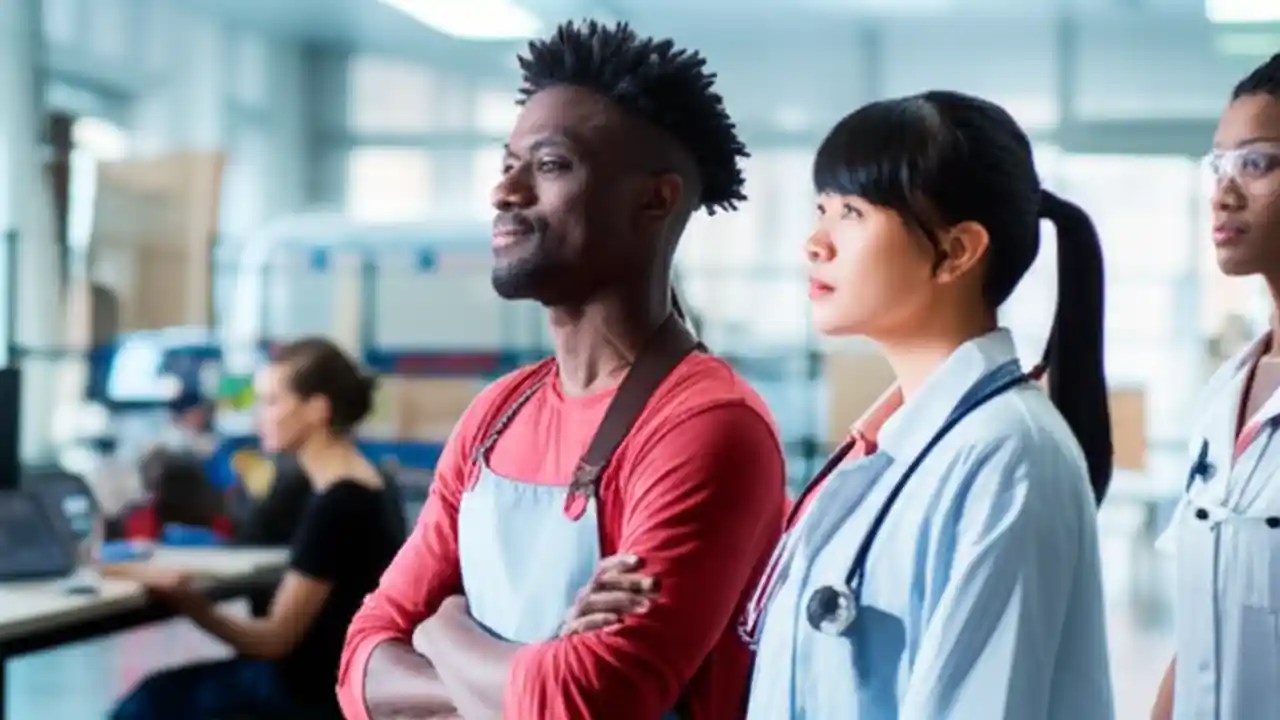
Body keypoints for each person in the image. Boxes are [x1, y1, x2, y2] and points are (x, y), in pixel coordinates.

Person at [574, 90, 1118, 718]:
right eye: (822, 208)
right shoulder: (892, 448)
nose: (815, 242)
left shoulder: (1010, 456)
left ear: (956, 251)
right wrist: (653, 606)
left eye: (852, 213)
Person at [337, 19, 787, 720]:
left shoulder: (706, 427)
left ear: (655, 198)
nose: (505, 192)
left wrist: (442, 630)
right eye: (506, 163)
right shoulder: (496, 415)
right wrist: (522, 677)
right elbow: (359, 667)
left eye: (548, 166)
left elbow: (588, 702)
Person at [109, 338, 402, 720]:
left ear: (317, 409)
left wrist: (192, 604)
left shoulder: (340, 501)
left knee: (146, 706)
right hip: (341, 685)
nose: (257, 418)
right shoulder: (366, 484)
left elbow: (273, 641)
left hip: (309, 695)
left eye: (271, 402)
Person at [1151, 51, 1280, 720]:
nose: (1224, 192)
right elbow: (1202, 631)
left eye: (1256, 163)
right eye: (1219, 165)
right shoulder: (1224, 393)